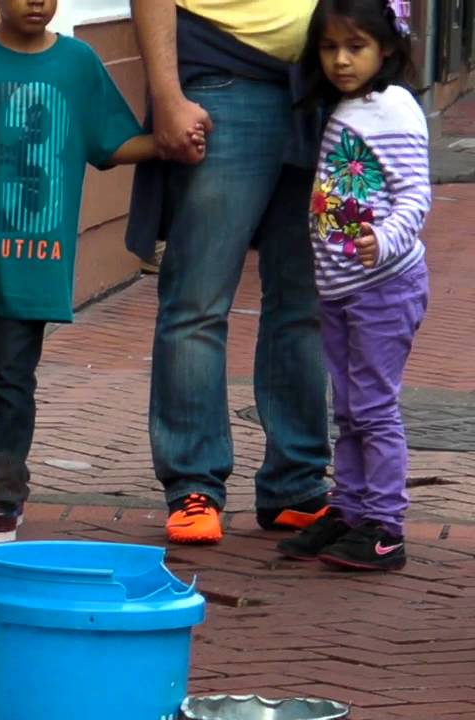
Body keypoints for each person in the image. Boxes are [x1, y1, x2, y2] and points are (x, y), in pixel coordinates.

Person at [0, 0, 205, 544]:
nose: (37, 1)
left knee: (9, 378)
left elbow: (111, 144)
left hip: (34, 269)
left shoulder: (78, 63)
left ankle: (0, 500)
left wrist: (169, 146)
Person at [128, 0, 336, 544]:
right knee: (198, 298)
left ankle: (298, 482)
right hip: (224, 78)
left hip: (319, 89)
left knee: (303, 304)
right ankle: (193, 484)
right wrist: (167, 96)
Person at [277, 0, 428, 571]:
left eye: (356, 47)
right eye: (329, 47)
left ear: (386, 48)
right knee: (349, 408)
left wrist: (382, 241)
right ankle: (349, 509)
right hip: (343, 288)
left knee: (374, 409)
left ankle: (385, 527)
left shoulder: (392, 108)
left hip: (384, 285)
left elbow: (415, 195)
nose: (341, 60)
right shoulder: (349, 105)